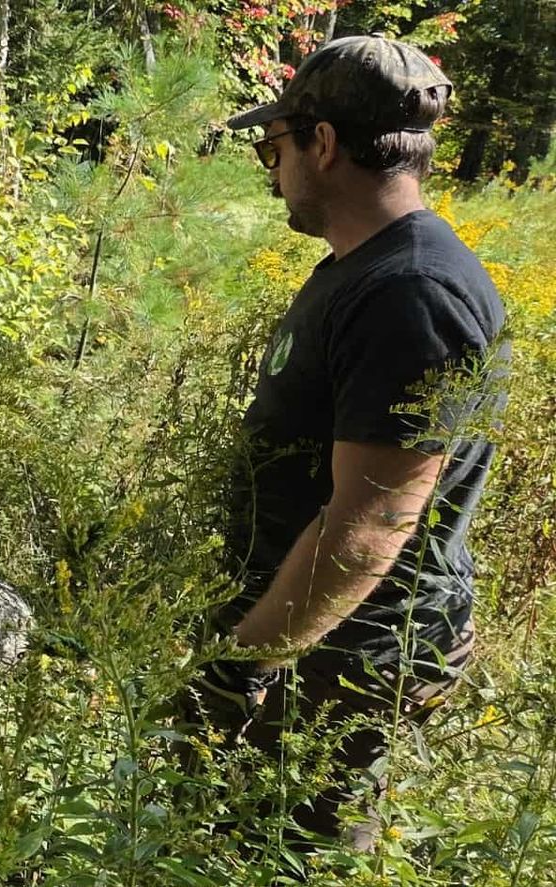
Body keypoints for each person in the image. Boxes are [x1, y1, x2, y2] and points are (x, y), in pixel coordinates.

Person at [190, 35, 509, 852]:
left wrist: (243, 663)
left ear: (323, 143)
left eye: (275, 147)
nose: (272, 172)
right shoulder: (365, 268)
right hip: (302, 630)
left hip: (350, 652)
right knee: (210, 835)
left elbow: (368, 528)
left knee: (283, 855)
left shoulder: (410, 293)